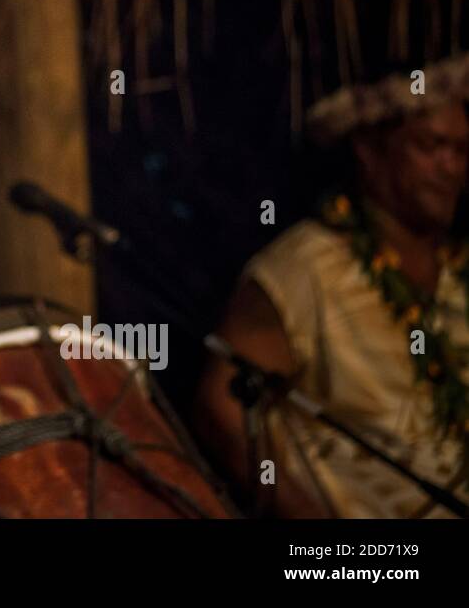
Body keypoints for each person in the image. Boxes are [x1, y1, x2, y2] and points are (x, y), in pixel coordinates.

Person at [194, 56, 469, 518]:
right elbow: (223, 408)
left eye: (462, 151)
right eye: (430, 146)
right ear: (369, 150)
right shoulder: (303, 267)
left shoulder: (459, 271)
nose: (450, 167)